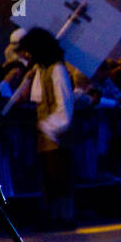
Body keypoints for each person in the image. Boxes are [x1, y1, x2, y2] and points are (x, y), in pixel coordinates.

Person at [17, 28, 75, 228]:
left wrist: (49, 126)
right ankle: (54, 215)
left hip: (56, 134)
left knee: (59, 176)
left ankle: (64, 217)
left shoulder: (57, 70)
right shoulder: (42, 70)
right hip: (45, 134)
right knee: (49, 177)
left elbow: (64, 105)